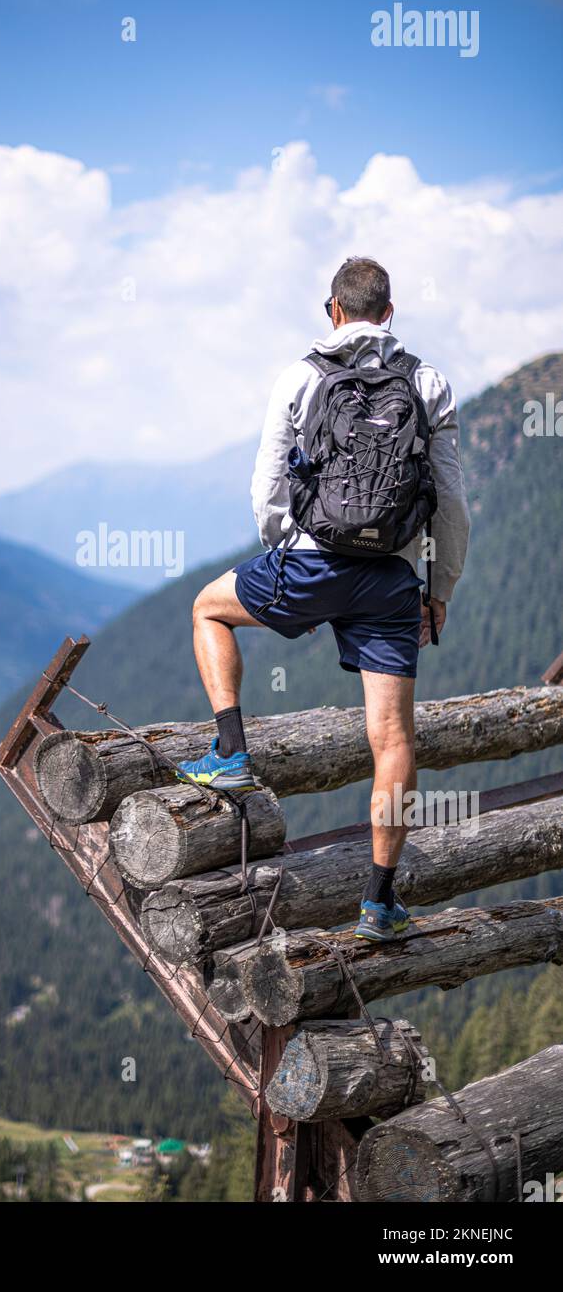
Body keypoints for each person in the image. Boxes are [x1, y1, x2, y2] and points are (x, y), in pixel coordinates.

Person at [177, 256, 470, 941]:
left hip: (311, 564)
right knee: (394, 739)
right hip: (394, 581)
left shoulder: (301, 376)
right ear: (389, 312)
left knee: (207, 608)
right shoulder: (428, 382)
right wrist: (440, 590)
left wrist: (291, 559)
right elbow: (452, 506)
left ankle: (230, 752)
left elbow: (266, 491)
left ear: (332, 310)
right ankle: (378, 903)